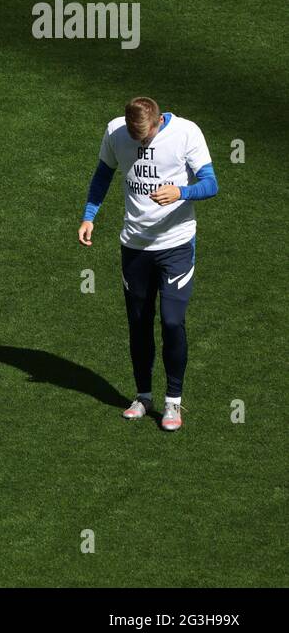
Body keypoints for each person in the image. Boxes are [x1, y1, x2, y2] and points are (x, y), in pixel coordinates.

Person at [79, 97, 218, 431]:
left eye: (145, 137)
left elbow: (211, 183)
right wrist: (89, 216)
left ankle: (173, 402)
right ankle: (143, 396)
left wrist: (181, 192)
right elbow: (103, 175)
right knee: (138, 322)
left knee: (172, 321)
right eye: (134, 136)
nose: (139, 142)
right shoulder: (116, 131)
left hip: (176, 246)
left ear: (157, 122)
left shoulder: (186, 133)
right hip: (135, 246)